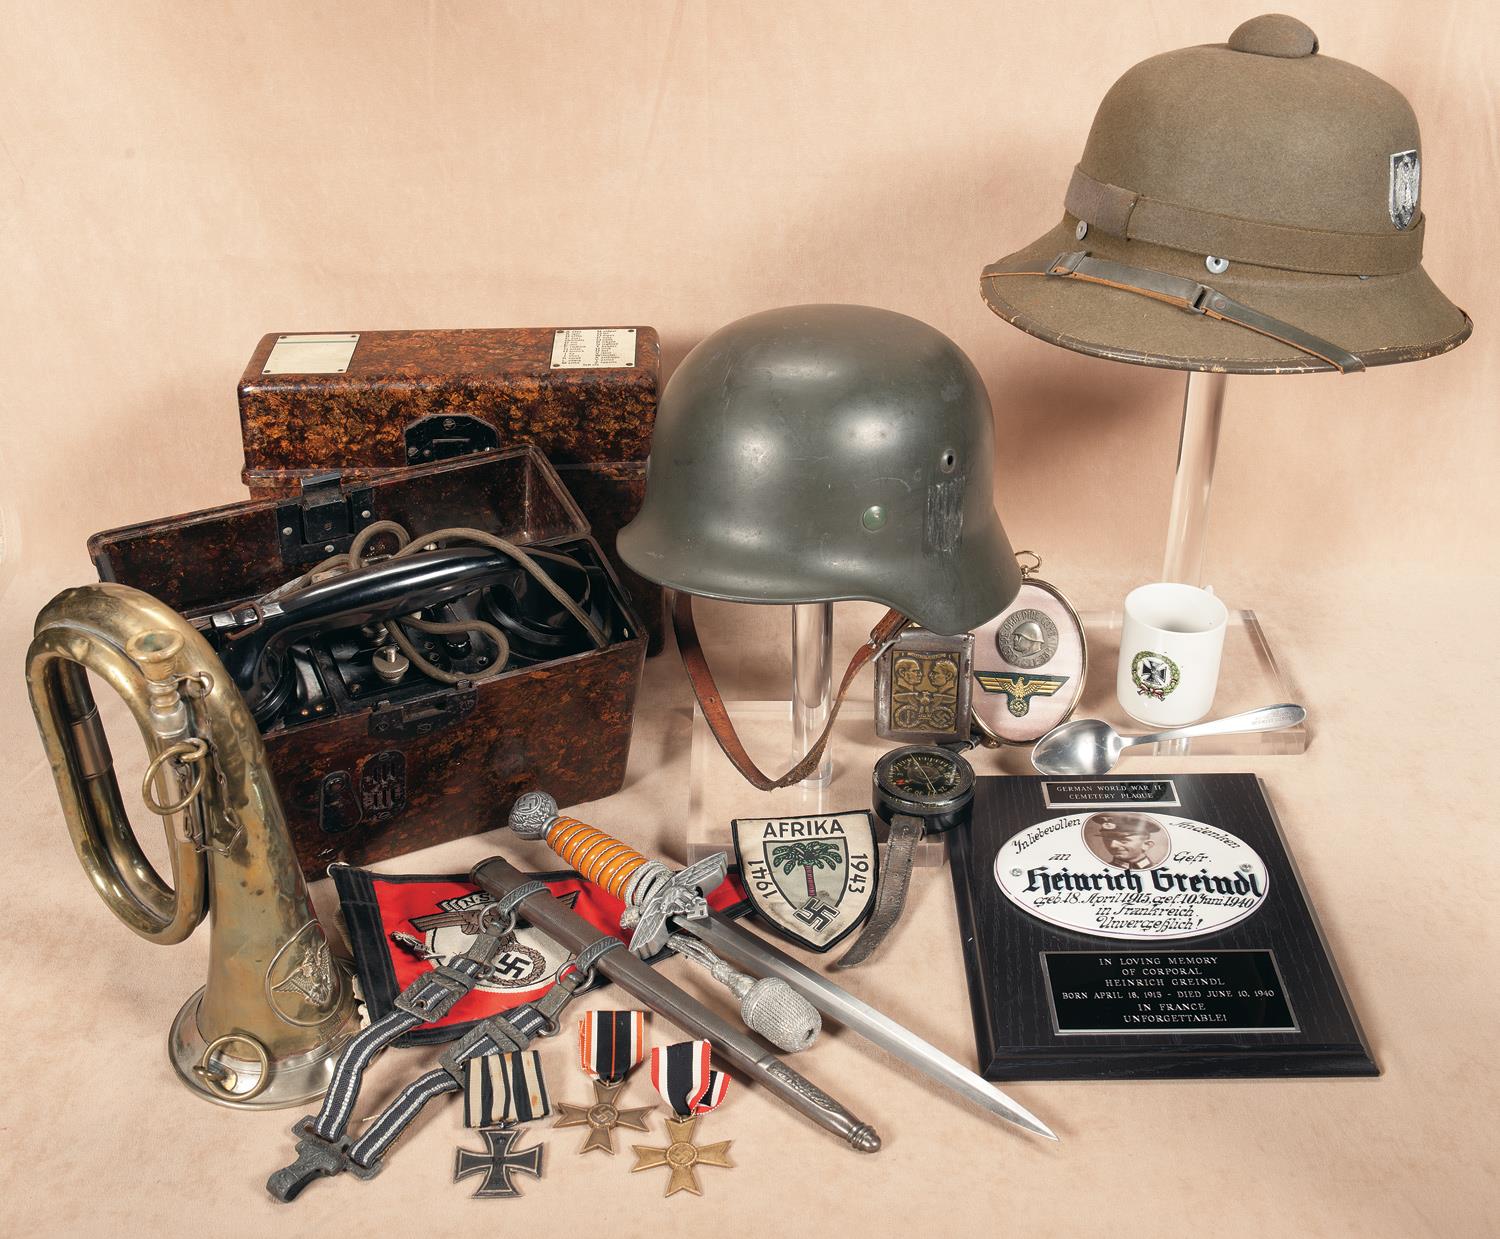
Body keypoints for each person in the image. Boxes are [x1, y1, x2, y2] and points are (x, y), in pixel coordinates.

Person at [1086, 814, 1167, 871]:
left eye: (1123, 840)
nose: (1112, 845)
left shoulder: (1162, 870)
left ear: (1147, 845)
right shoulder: (1100, 871)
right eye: (1107, 839)